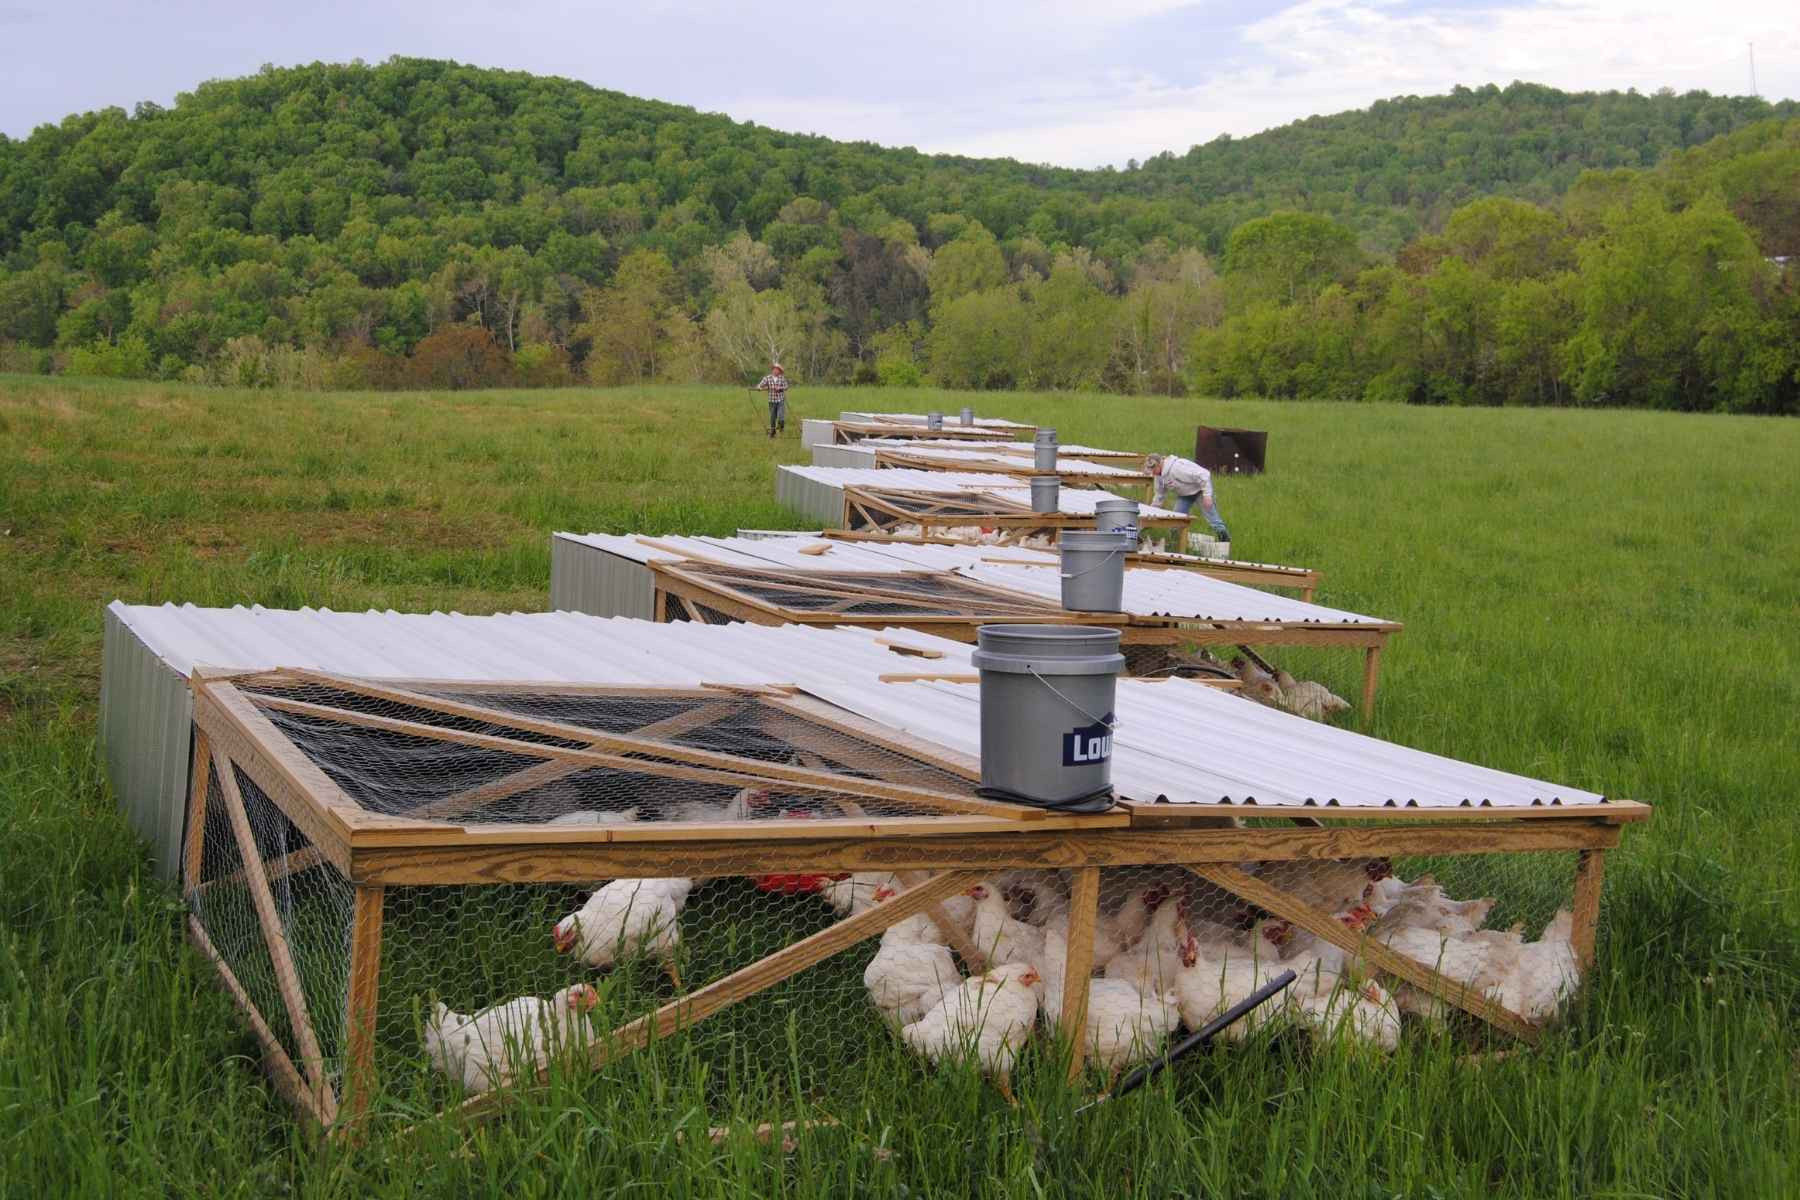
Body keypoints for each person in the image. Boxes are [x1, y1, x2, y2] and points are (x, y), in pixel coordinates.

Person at [1145, 452, 1230, 543]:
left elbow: (1204, 475)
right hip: (1184, 495)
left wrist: (1207, 495)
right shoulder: (1159, 476)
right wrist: (1151, 512)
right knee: (1175, 522)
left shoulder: (1177, 468)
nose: (1152, 472)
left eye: (1153, 468)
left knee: (1213, 519)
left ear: (1160, 464)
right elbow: (1159, 495)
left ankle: (1225, 542)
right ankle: (1176, 544)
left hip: (1200, 491)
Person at [755, 362, 789, 438]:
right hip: (772, 401)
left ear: (780, 371)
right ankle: (773, 432)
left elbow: (786, 387)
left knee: (781, 416)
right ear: (772, 370)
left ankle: (781, 427)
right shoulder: (767, 378)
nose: (776, 371)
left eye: (777, 370)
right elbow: (760, 385)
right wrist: (759, 387)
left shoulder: (782, 378)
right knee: (772, 417)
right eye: (774, 369)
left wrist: (780, 388)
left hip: (781, 400)